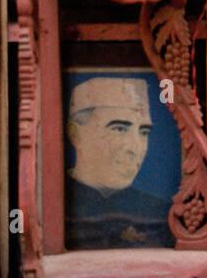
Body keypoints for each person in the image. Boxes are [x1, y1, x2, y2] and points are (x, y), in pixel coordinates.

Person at [64, 76, 172, 250]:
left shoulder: (161, 213)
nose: (135, 147)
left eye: (143, 132)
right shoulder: (51, 205)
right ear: (76, 135)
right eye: (120, 129)